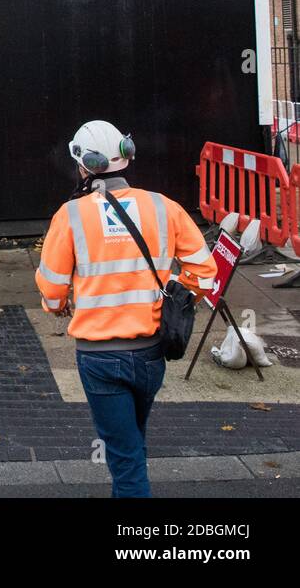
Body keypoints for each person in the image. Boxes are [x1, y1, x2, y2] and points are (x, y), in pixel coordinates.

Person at [36, 120, 216, 497]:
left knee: (126, 460)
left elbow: (52, 291)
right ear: (125, 156)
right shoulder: (163, 206)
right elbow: (203, 271)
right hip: (151, 354)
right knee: (131, 445)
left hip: (99, 359)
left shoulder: (70, 216)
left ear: (83, 164)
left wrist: (57, 306)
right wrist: (175, 295)